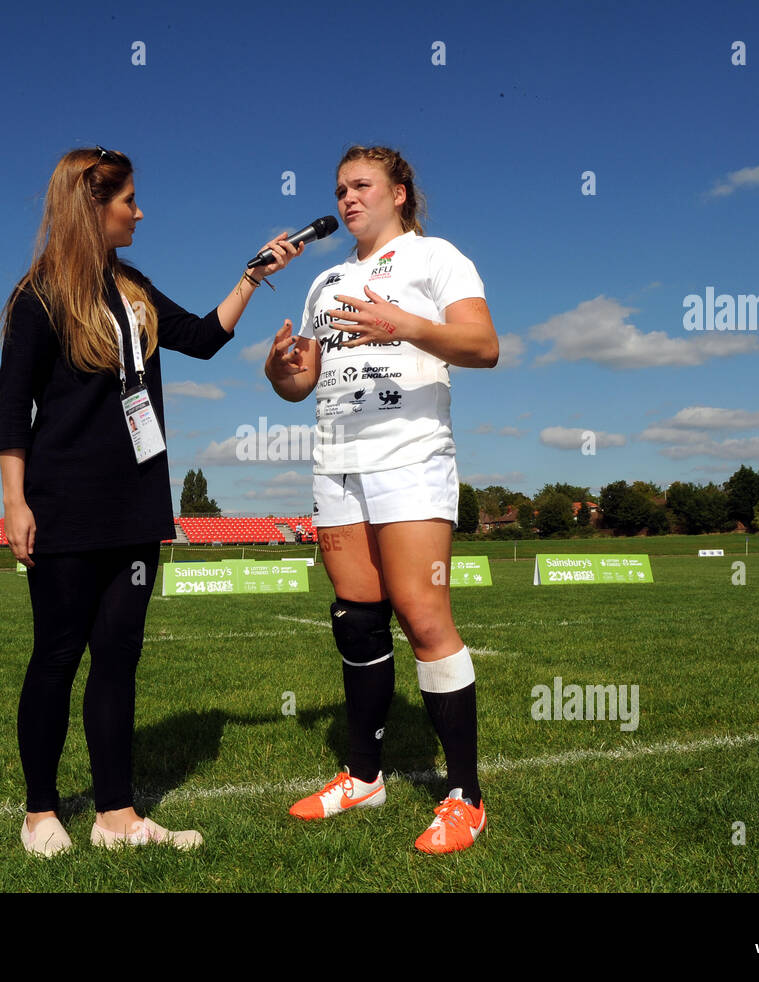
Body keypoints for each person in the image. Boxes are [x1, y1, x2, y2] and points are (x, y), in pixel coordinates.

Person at [0, 146, 301, 856]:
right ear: (91, 206)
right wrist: (14, 500)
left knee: (118, 658)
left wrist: (251, 278)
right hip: (63, 505)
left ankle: (116, 816)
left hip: (135, 502)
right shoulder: (37, 296)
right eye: (128, 199)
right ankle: (40, 812)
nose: (140, 210)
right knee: (57, 655)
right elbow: (13, 408)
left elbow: (200, 338)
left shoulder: (132, 286)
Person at [264, 145, 498, 854]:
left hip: (410, 461)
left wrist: (408, 326)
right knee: (356, 621)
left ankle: (465, 795)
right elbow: (301, 382)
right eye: (339, 189)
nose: (346, 198)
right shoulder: (326, 280)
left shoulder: (437, 258)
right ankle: (364, 776)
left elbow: (484, 345)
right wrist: (280, 371)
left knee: (424, 618)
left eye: (360, 185)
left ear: (399, 192)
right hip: (338, 465)